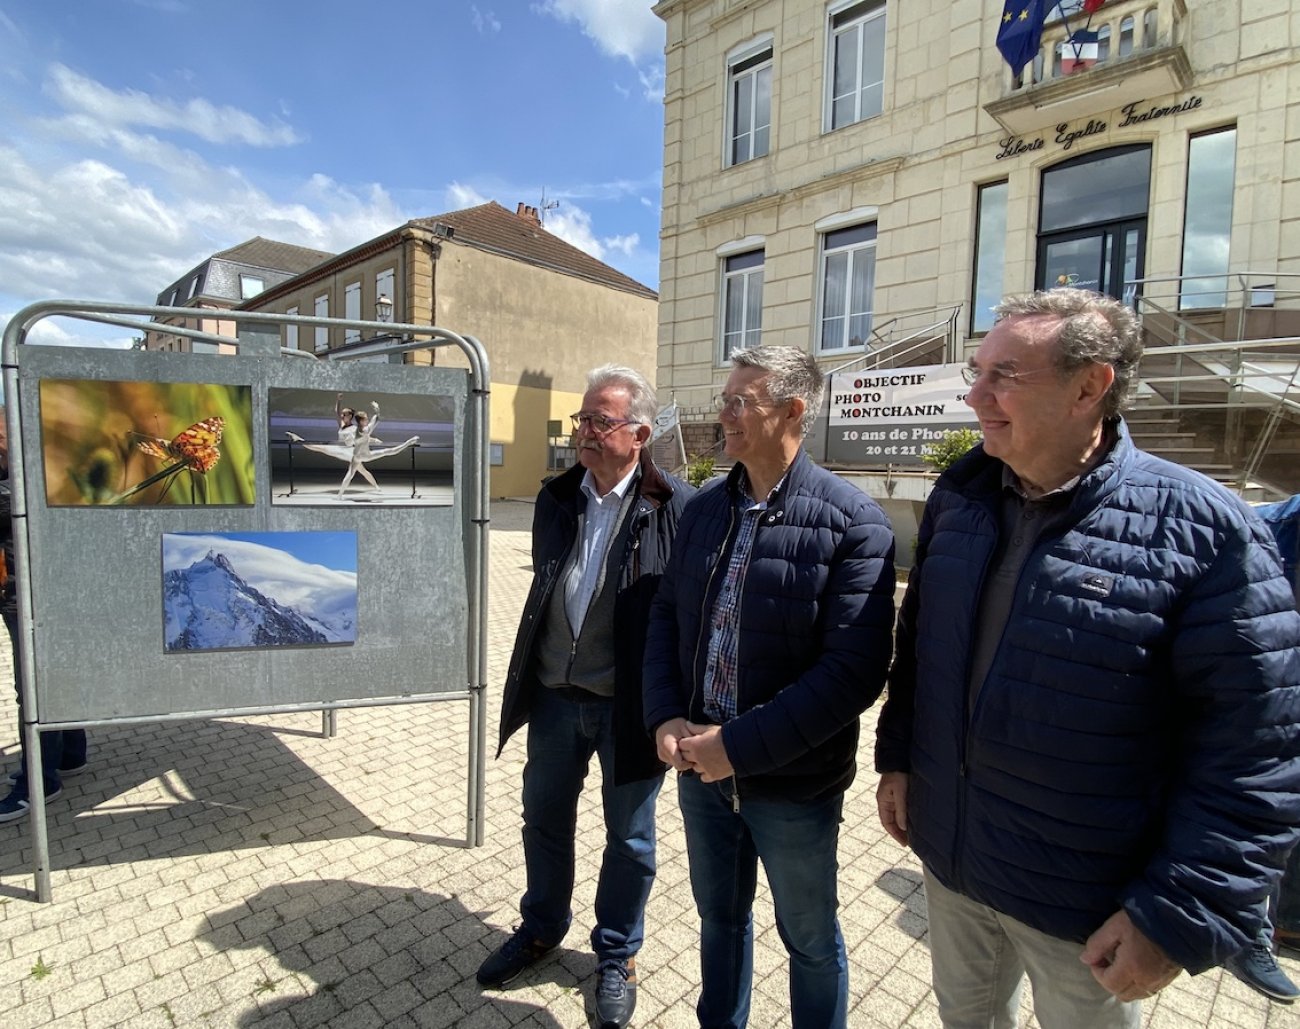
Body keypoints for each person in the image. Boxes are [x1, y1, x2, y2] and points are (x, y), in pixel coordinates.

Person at [874, 288, 1300, 1027]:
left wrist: (1176, 915)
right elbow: (918, 651)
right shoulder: (961, 495)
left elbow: (1256, 753)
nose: (975, 394)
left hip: (1088, 909)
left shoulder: (1206, 532)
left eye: (1004, 374)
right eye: (978, 371)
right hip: (953, 865)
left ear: (1089, 386)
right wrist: (899, 757)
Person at [643, 345, 896, 1029]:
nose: (722, 414)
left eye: (738, 401)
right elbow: (667, 614)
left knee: (810, 939)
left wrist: (739, 746)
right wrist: (665, 714)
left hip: (793, 785)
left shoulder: (854, 523)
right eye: (724, 398)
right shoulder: (702, 510)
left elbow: (852, 675)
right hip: (700, 768)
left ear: (791, 410)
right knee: (719, 920)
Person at [476, 365, 692, 1029]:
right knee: (542, 817)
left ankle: (617, 955)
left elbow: (685, 614)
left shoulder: (677, 507)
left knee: (628, 839)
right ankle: (542, 926)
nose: (584, 432)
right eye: (582, 419)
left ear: (640, 433)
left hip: (628, 707)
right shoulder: (557, 496)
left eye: (600, 420)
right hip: (554, 699)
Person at [0, 416, 88, 824]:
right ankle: (70, 753)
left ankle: (37, 782)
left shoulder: (21, 477)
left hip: (30, 594)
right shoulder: (35, 464)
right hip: (35, 588)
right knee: (56, 675)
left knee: (33, 690)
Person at [286, 399, 418, 498]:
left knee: (362, 470)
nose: (342, 416)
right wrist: (338, 401)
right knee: (319, 448)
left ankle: (375, 487)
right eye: (342, 415)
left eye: (345, 414)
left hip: (351, 452)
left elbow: (365, 433)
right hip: (343, 449)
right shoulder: (344, 425)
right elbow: (362, 431)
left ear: (350, 416)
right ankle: (298, 439)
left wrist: (373, 438)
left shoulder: (356, 428)